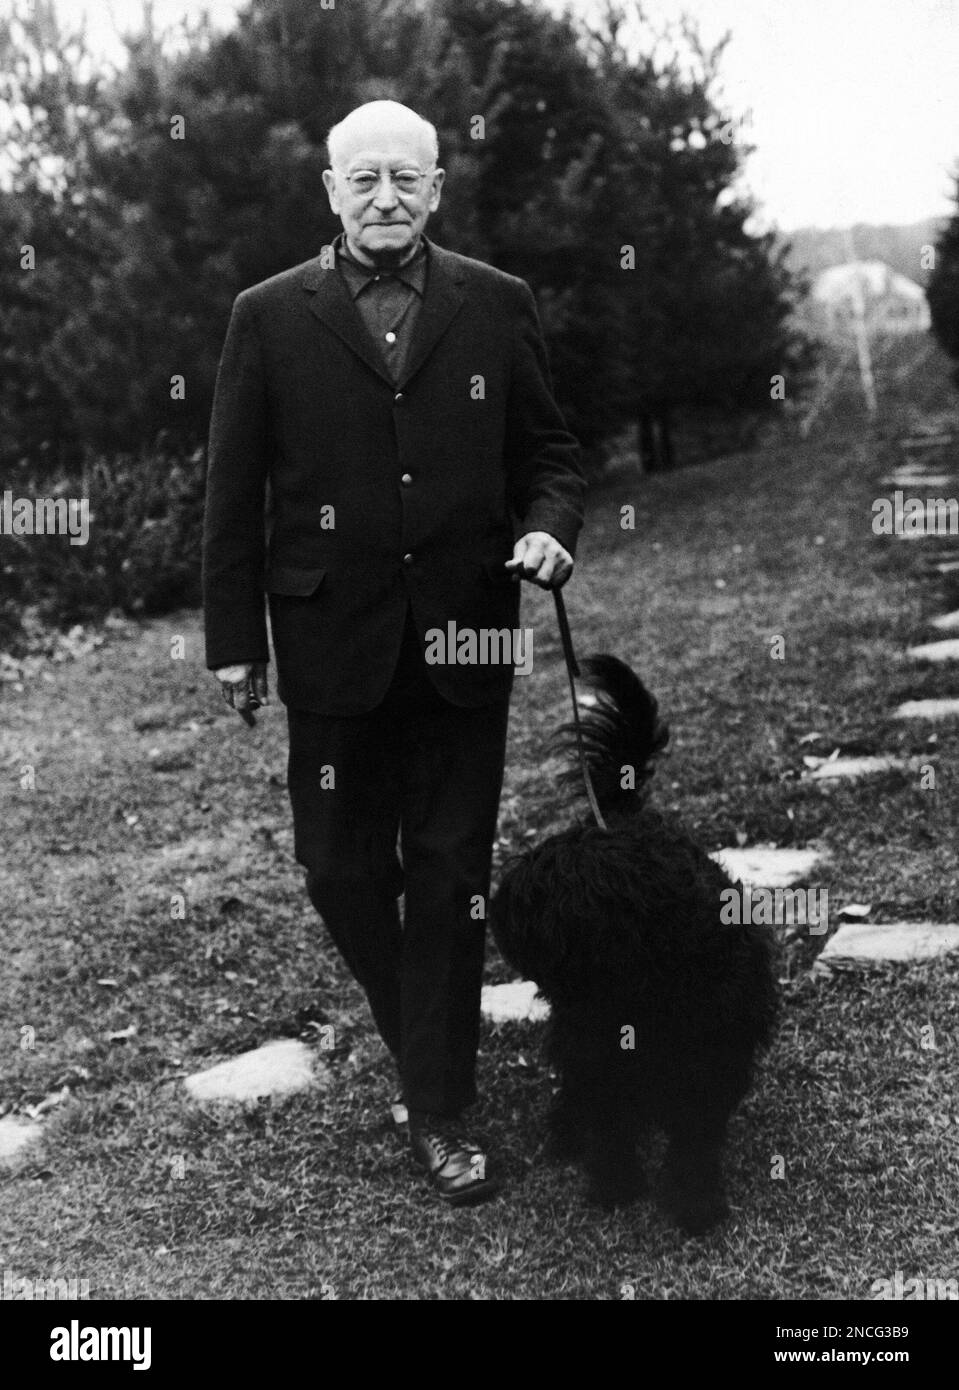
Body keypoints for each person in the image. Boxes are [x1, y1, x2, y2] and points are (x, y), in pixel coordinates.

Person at [203, 99, 585, 1205]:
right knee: (340, 872)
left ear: (436, 189)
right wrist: (236, 642)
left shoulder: (494, 304)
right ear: (329, 190)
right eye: (362, 179)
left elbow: (550, 453)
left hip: (465, 640)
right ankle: (431, 1048)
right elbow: (232, 495)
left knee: (454, 876)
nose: (384, 198)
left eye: (404, 180)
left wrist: (549, 528)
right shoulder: (267, 317)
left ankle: (441, 1106)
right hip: (329, 644)